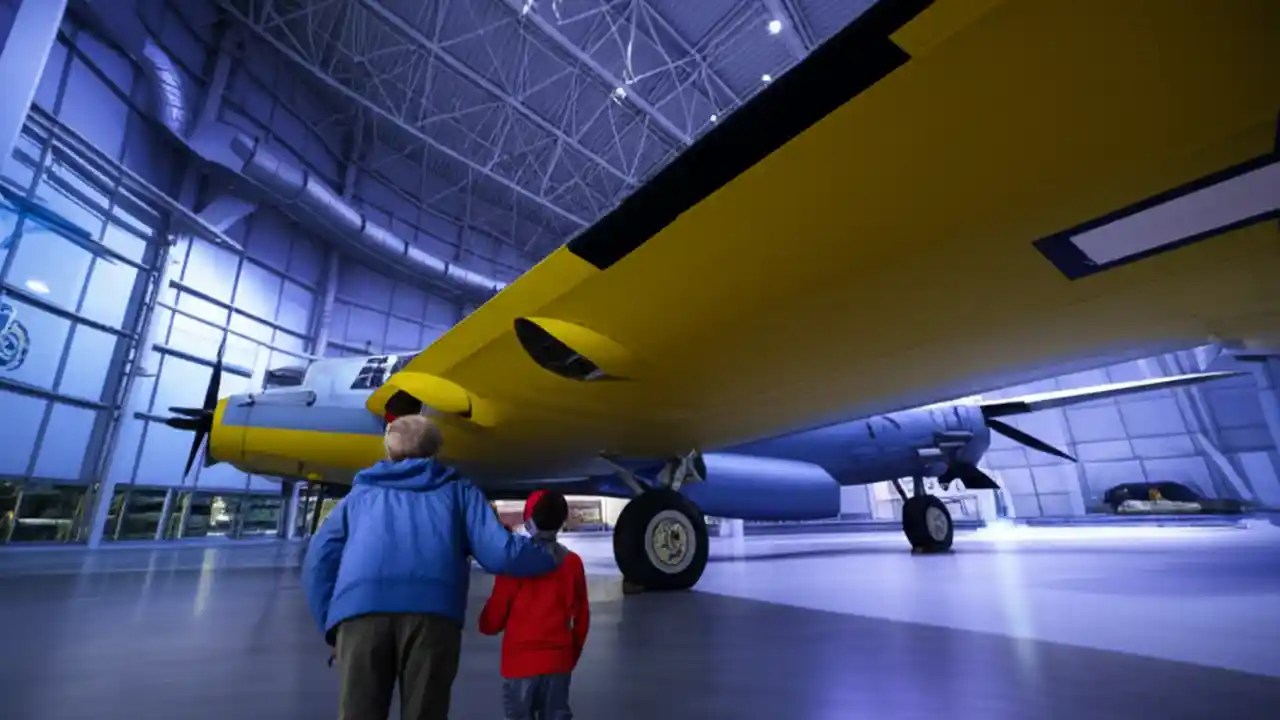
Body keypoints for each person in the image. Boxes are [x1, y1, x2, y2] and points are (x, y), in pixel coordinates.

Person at [302, 415, 563, 720]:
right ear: (436, 451)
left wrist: (334, 628)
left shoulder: (359, 496)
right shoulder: (459, 492)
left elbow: (317, 562)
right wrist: (548, 554)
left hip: (360, 616)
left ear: (388, 451)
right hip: (432, 619)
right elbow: (499, 553)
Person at [479, 490, 590, 720]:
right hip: (559, 662)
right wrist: (569, 655)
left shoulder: (516, 563)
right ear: (562, 520)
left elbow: (495, 616)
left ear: (528, 521)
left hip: (520, 664)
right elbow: (582, 618)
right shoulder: (572, 564)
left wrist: (485, 623)